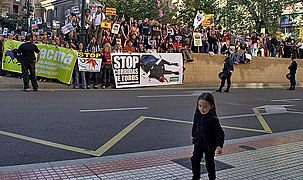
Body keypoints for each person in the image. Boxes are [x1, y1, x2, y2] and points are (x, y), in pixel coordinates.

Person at [191, 93, 225, 180]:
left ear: (211, 106)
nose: (202, 108)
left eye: (205, 107)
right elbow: (195, 126)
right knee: (195, 159)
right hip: (198, 142)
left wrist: (219, 146)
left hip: (210, 145)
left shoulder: (213, 119)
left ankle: (212, 178)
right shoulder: (197, 115)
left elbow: (219, 133)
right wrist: (193, 135)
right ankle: (196, 176)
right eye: (199, 106)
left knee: (209, 162)